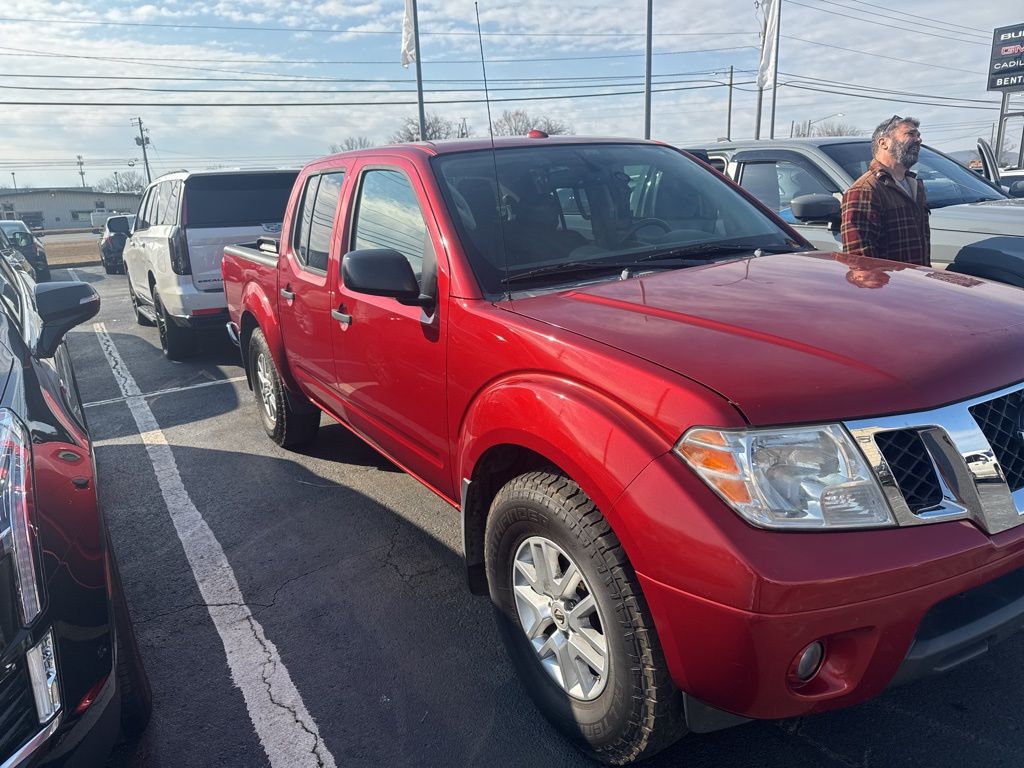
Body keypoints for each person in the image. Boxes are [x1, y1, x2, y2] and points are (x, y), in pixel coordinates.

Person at [840, 115, 930, 266]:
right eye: (910, 134)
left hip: (918, 284)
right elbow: (860, 262)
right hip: (891, 287)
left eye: (918, 135)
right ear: (884, 143)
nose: (919, 139)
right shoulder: (865, 190)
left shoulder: (915, 185)